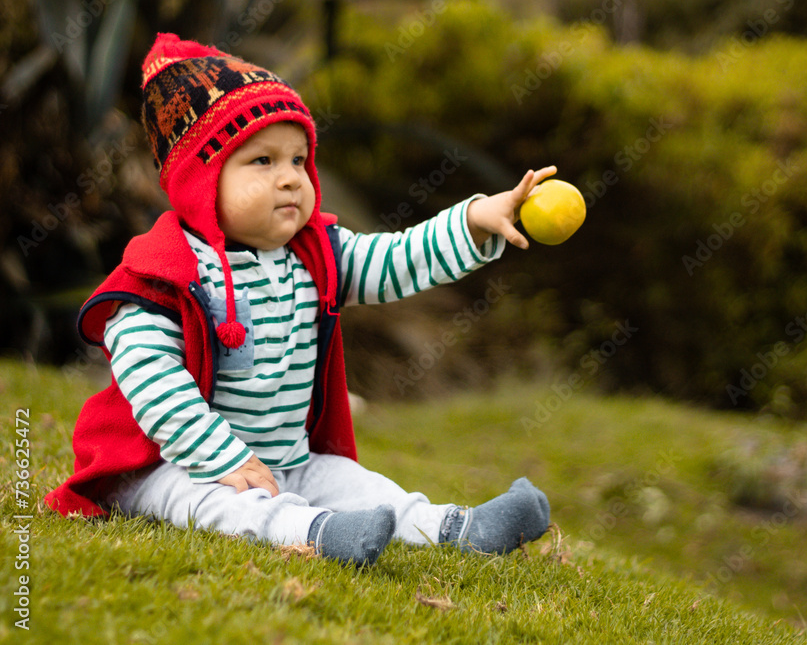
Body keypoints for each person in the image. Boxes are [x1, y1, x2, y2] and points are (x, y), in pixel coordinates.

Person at [45, 33, 552, 567]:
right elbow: (153, 381)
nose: (290, 178)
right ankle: (318, 533)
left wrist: (473, 221)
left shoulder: (315, 255)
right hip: (172, 464)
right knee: (217, 504)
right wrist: (220, 457)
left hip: (287, 460)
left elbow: (397, 259)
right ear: (201, 182)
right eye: (262, 162)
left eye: (299, 159)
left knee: (360, 484)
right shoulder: (163, 277)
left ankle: (457, 528)